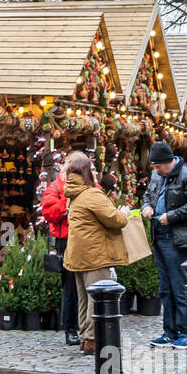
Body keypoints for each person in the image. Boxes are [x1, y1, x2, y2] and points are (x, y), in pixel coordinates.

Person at [63, 152, 129, 355]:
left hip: (77, 254)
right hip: (95, 254)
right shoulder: (91, 194)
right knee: (96, 299)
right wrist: (123, 214)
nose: (96, 172)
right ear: (85, 173)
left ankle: (85, 338)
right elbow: (114, 219)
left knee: (83, 299)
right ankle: (92, 339)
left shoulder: (73, 193)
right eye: (92, 169)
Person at [141, 140, 187, 349]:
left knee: (178, 285)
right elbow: (147, 195)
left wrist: (172, 217)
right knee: (165, 287)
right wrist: (148, 206)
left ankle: (185, 332)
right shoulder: (157, 175)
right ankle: (169, 332)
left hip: (176, 237)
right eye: (154, 167)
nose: (156, 170)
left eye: (158, 166)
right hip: (158, 234)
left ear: (168, 161)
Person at [41, 152, 79, 346]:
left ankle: (87, 325)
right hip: (66, 240)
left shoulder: (87, 185)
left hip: (86, 239)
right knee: (70, 287)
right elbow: (48, 213)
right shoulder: (54, 188)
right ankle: (70, 328)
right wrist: (67, 201)